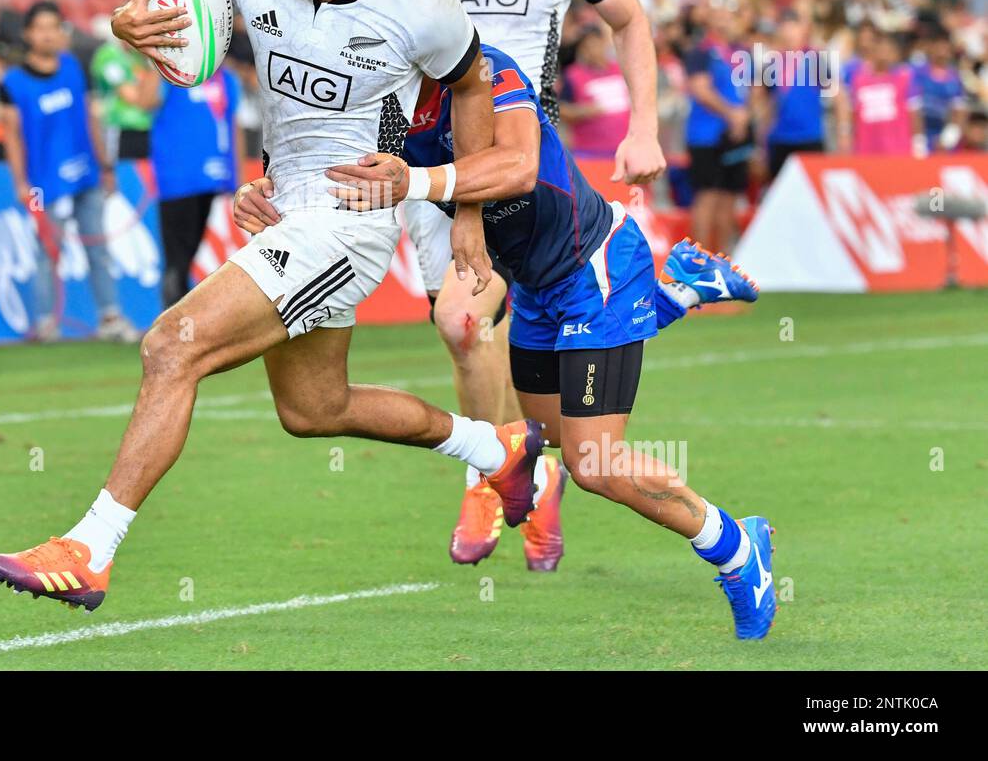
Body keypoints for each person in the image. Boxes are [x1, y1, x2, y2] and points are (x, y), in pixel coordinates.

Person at [0, 0, 530, 613]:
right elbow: (163, 2)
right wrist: (123, 22)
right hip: (285, 207)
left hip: (350, 222)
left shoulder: (416, 1)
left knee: (171, 344)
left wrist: (466, 211)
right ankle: (494, 446)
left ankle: (89, 547)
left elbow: (472, 84)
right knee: (314, 408)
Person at [324, 44, 774, 639]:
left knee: (594, 463)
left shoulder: (487, 69)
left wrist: (438, 195)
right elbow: (353, 177)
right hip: (535, 290)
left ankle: (737, 549)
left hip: (594, 268)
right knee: (553, 437)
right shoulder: (391, 108)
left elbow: (518, 166)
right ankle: (677, 295)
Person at [385, 0, 667, 569]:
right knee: (470, 331)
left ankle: (491, 475)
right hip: (438, 159)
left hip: (524, 169)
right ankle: (522, 470)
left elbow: (630, 18)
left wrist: (643, 126)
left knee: (464, 321)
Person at [0, 1, 138, 344]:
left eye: (54, 26)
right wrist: (20, 182)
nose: (48, 34)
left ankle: (109, 316)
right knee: (48, 251)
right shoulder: (12, 83)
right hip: (44, 182)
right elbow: (11, 136)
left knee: (97, 247)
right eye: (41, 27)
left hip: (87, 173)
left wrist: (105, 165)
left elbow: (91, 118)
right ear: (28, 34)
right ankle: (45, 322)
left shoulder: (74, 67)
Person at [149, 65, 242, 308]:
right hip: (176, 178)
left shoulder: (227, 78)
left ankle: (176, 319)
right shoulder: (173, 72)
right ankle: (171, 318)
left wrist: (235, 175)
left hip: (212, 176)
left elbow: (233, 125)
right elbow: (146, 101)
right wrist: (154, 61)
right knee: (177, 255)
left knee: (189, 250)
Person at [685, 0, 753, 254]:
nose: (726, 19)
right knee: (707, 198)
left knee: (729, 198)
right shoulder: (701, 51)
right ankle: (699, 263)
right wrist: (733, 114)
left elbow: (749, 91)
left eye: (729, 14)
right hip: (706, 136)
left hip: (735, 135)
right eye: (720, 14)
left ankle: (723, 261)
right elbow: (701, 90)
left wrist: (744, 118)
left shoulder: (739, 51)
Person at [751, 10, 845, 181]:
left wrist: (843, 133)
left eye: (793, 27)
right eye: (785, 27)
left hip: (809, 137)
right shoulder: (772, 62)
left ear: (803, 30)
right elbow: (763, 103)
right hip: (779, 139)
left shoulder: (815, 58)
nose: (789, 33)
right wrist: (759, 145)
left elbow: (839, 97)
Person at [559, 25, 632, 160]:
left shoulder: (620, 69)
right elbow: (561, 108)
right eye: (586, 46)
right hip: (589, 153)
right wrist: (582, 112)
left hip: (624, 149)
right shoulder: (573, 75)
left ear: (604, 43)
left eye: (595, 43)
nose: (591, 50)